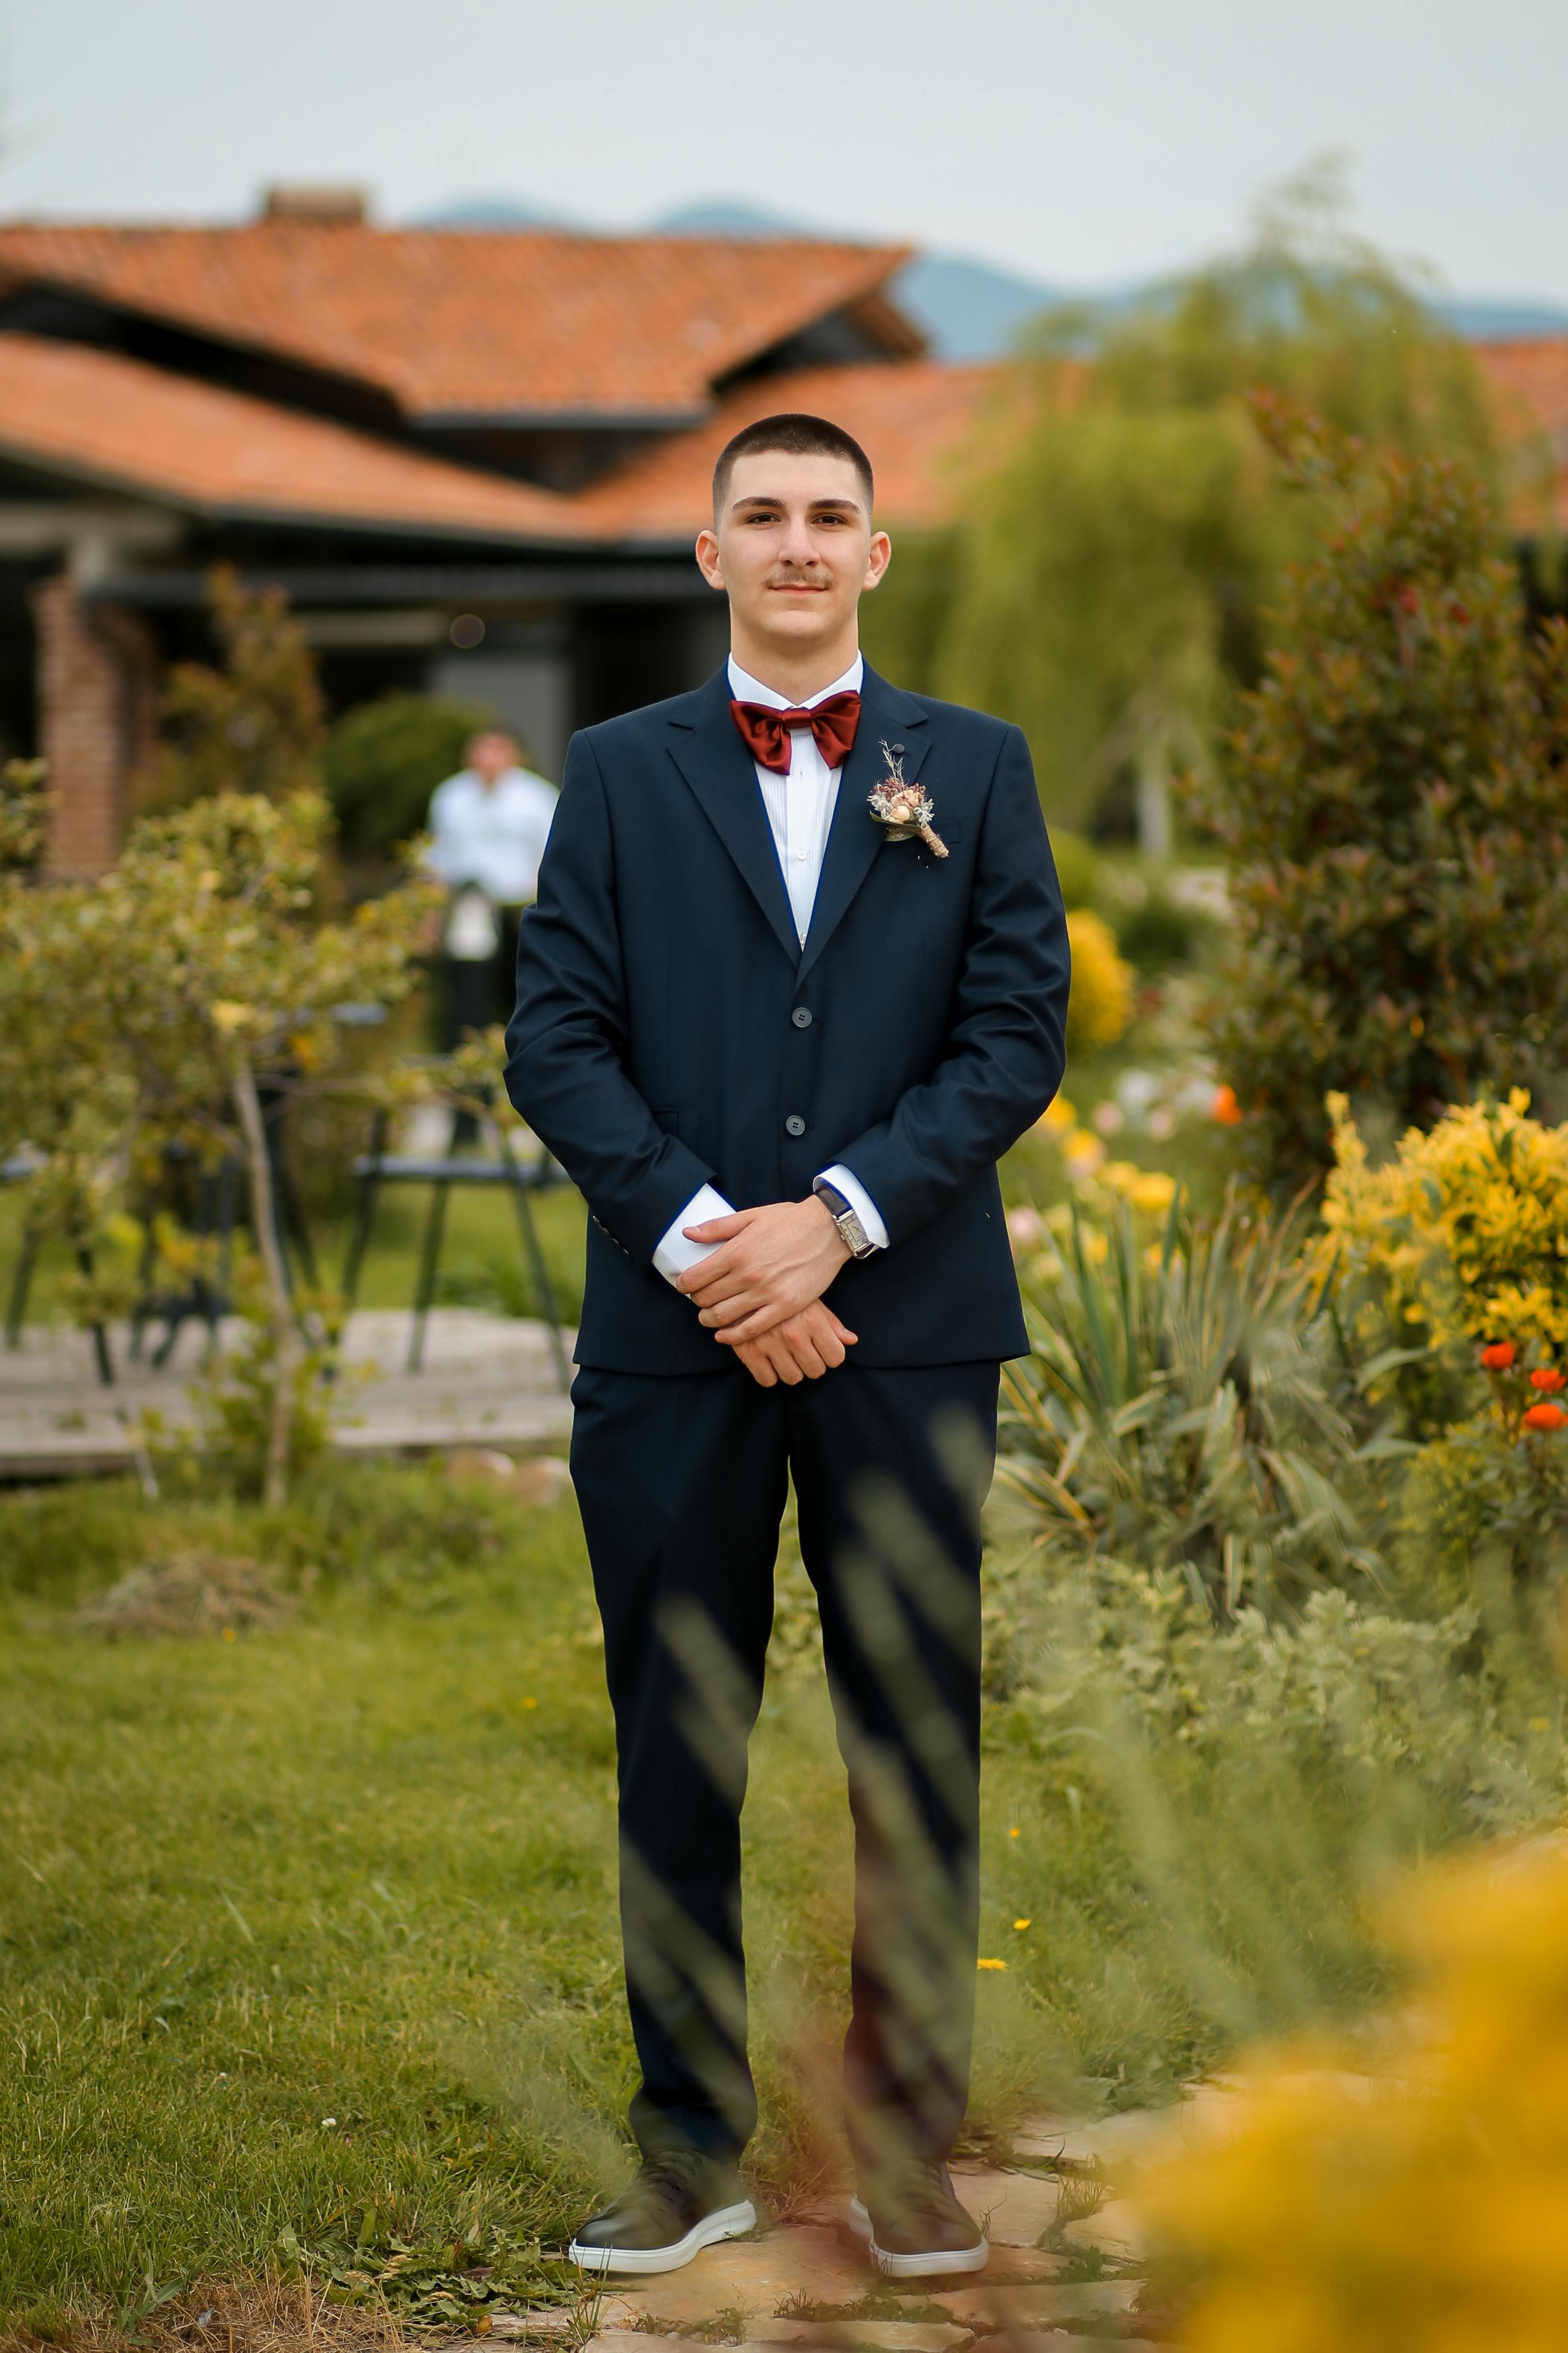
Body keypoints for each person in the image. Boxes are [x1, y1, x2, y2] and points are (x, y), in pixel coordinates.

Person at [506, 414, 1069, 2282]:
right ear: (711, 551)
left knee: (911, 1738)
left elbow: (1013, 1031)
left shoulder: (971, 766)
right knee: (676, 1738)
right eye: (762, 513)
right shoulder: (614, 770)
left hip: (906, 1333)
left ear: (875, 553)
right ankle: (687, 2149)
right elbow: (555, 1036)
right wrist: (709, 1245)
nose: (797, 542)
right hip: (671, 1342)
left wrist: (833, 1218)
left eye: (830, 514)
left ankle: (905, 2149)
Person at [427, 728, 558, 1044]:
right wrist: (430, 915)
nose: (488, 758)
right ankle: (469, 1055)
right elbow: (437, 857)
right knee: (471, 980)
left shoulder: (538, 797)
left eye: (498, 750)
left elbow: (552, 854)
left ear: (517, 756)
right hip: (471, 902)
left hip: (524, 904)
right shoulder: (451, 795)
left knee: (524, 983)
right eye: (481, 749)